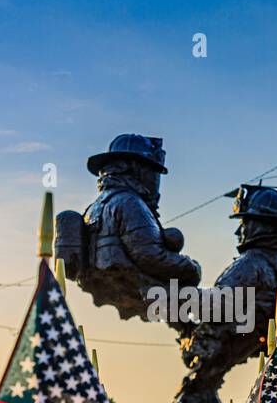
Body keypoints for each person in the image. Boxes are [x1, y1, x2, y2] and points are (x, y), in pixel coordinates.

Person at [171, 185, 277, 403]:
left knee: (194, 385)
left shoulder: (251, 264)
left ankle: (198, 395)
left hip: (224, 341)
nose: (239, 232)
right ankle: (201, 393)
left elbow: (218, 303)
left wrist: (181, 296)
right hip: (242, 341)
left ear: (259, 226)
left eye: (244, 223)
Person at [55, 134, 201, 320]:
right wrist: (192, 267)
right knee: (225, 307)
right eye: (152, 171)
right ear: (136, 169)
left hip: (117, 287)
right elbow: (151, 257)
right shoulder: (129, 203)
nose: (155, 180)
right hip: (140, 287)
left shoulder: (94, 207)